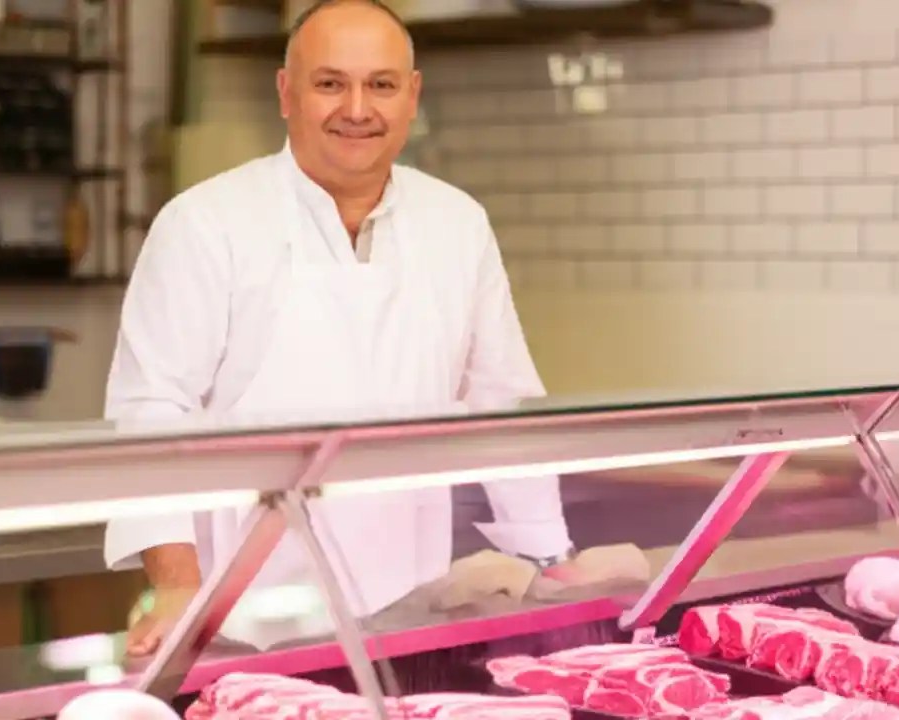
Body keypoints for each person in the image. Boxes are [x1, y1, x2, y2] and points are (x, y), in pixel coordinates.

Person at [102, 0, 577, 657]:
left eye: (381, 84)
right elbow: (150, 411)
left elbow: (502, 402)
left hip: (409, 609)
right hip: (244, 618)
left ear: (412, 97)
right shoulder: (204, 224)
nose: (357, 108)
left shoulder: (457, 223)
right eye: (330, 83)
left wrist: (546, 555)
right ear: (286, 93)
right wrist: (177, 587)